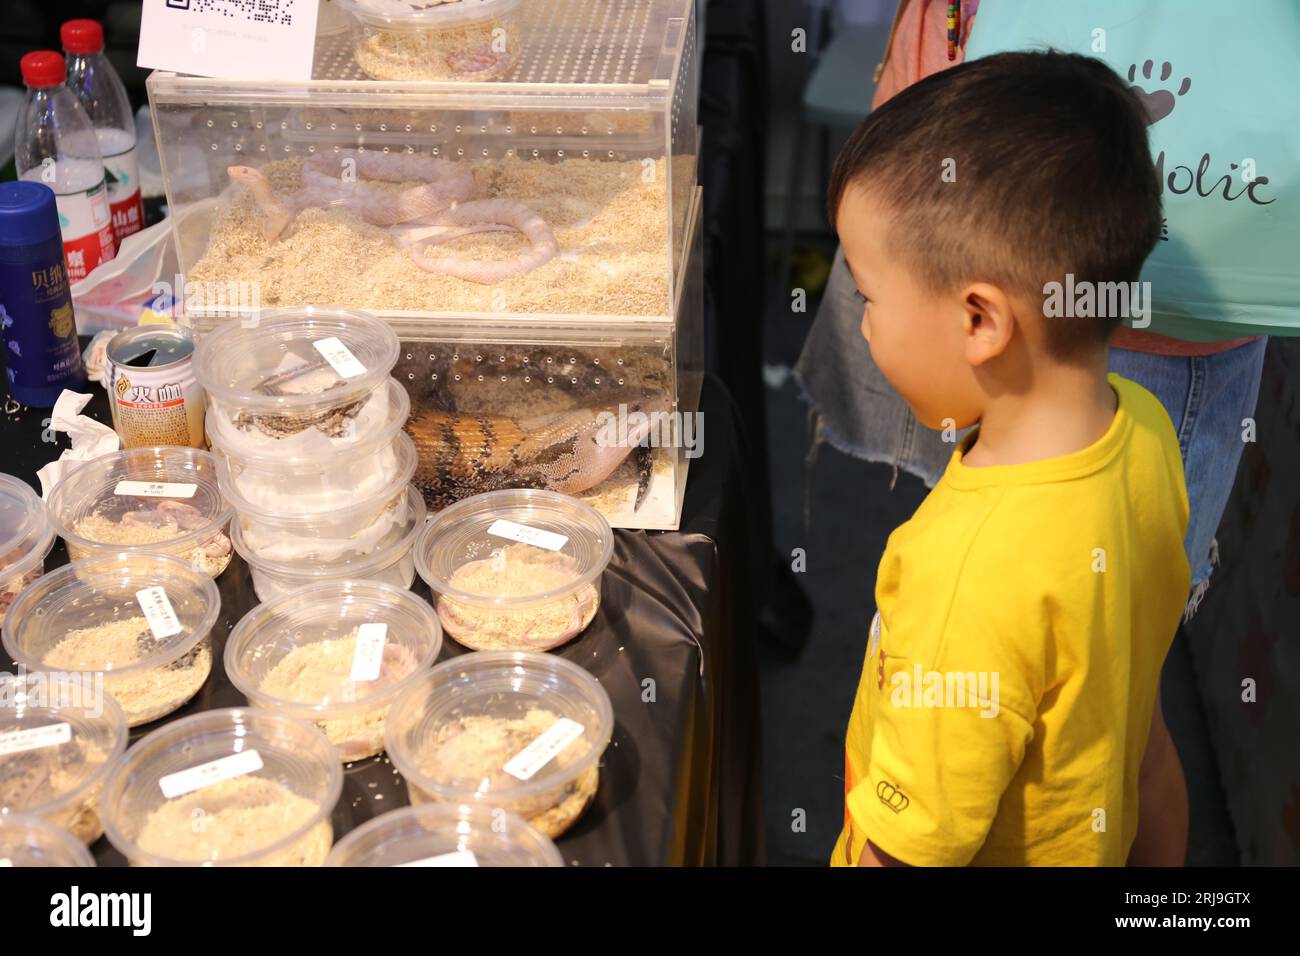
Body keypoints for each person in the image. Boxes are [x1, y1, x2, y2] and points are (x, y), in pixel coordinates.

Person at [828, 51, 1190, 866]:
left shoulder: (966, 577)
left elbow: (904, 852)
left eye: (867, 294)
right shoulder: (1145, 432)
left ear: (981, 321)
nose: (863, 326)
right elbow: (1147, 743)